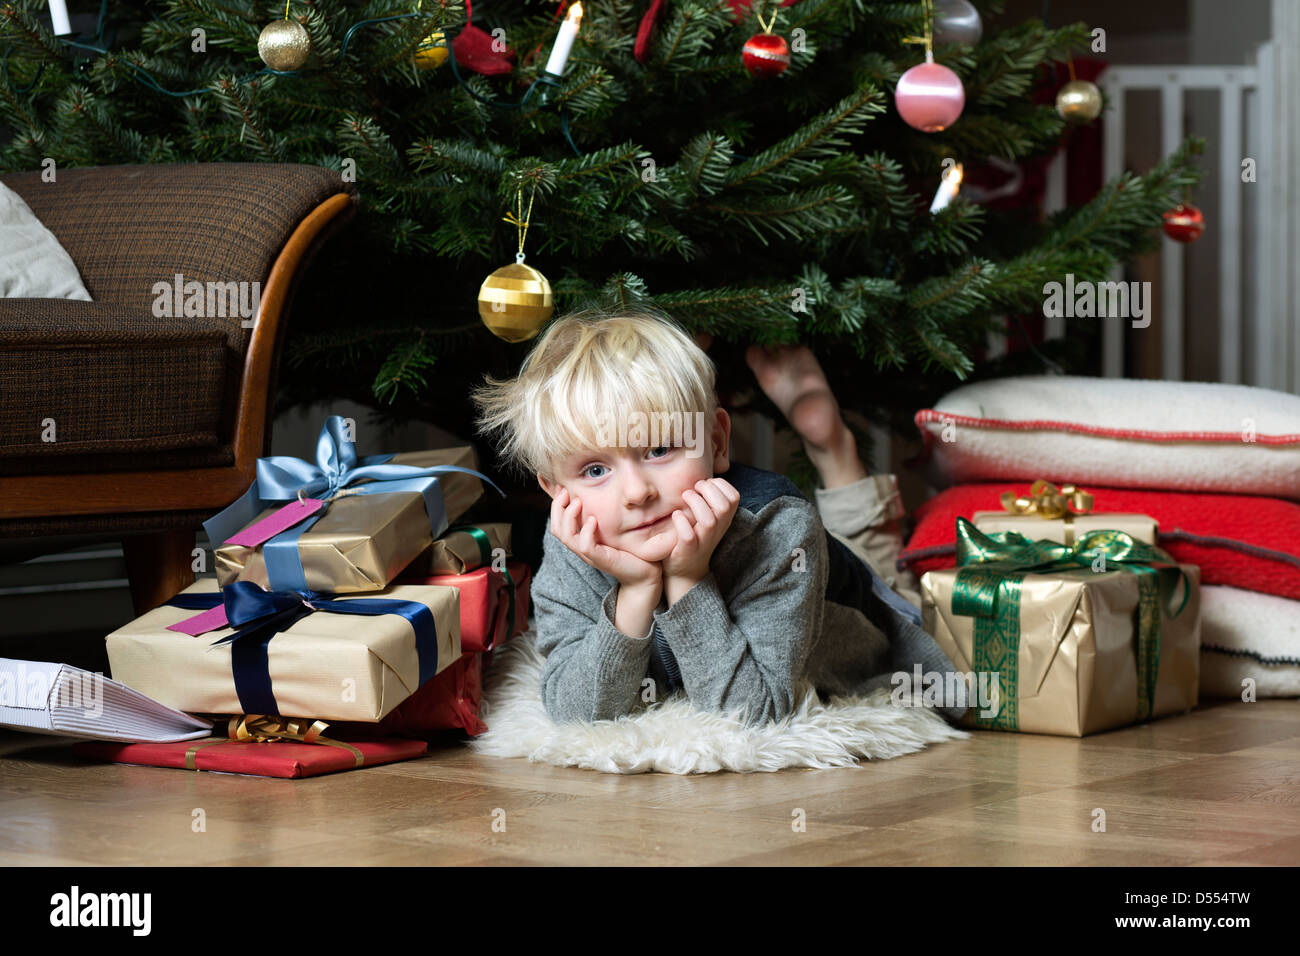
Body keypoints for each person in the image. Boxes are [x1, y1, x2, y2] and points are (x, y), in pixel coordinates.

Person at [470, 304, 968, 728]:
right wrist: (636, 591)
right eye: (595, 469)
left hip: (854, 606)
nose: (637, 492)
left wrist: (687, 579)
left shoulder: (776, 528)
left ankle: (835, 450)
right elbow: (577, 713)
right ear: (557, 493)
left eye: (660, 449)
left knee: (896, 587)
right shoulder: (575, 538)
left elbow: (756, 714)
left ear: (716, 441)